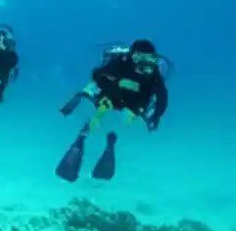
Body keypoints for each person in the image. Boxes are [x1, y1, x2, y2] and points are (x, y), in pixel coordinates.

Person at [54, 39, 170, 182]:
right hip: (111, 98)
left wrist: (155, 116)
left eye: (149, 59)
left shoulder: (154, 74)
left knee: (125, 121)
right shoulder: (122, 61)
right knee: (93, 105)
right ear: (131, 55)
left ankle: (106, 141)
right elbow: (98, 75)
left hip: (133, 105)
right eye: (139, 57)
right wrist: (117, 82)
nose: (143, 63)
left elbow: (162, 97)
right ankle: (86, 136)